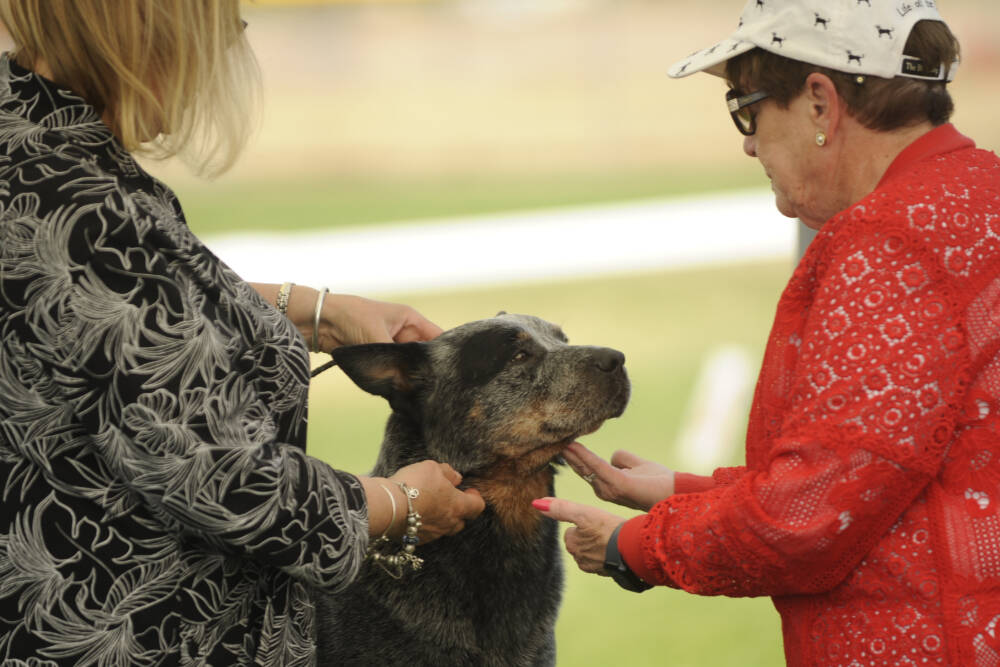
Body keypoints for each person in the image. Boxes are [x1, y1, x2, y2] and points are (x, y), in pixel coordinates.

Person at [0, 1, 483, 664]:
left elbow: (102, 314)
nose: (220, 60)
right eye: (220, 32)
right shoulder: (90, 209)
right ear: (148, 28)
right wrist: (399, 501)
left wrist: (314, 311)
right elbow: (229, 482)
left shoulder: (27, 144)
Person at [534, 0, 1000, 664]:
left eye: (746, 108)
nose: (748, 141)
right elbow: (895, 470)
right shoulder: (981, 194)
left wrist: (631, 545)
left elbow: (807, 520)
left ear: (819, 103)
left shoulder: (892, 241)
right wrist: (681, 493)